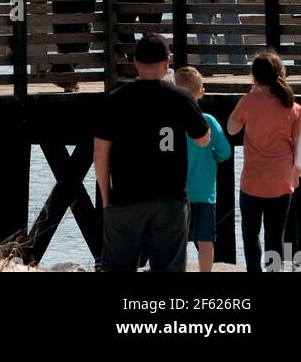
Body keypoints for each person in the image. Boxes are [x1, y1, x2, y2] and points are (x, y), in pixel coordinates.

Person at [94, 33, 211, 273]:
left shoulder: (115, 100)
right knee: (169, 268)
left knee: (117, 268)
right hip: (170, 198)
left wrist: (107, 197)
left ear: (135, 62)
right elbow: (202, 140)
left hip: (127, 196)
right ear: (167, 62)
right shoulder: (182, 98)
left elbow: (100, 153)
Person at [227, 50, 301, 273]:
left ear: (255, 77)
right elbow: (299, 149)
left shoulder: (248, 102)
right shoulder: (293, 107)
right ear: (281, 74)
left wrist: (252, 96)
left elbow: (231, 129)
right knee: (274, 236)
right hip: (281, 182)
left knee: (250, 235)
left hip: (252, 181)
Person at [174, 66, 232, 272]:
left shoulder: (171, 123)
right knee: (206, 240)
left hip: (177, 193)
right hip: (205, 193)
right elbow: (225, 152)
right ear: (201, 92)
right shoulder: (209, 121)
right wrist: (211, 157)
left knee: (177, 240)